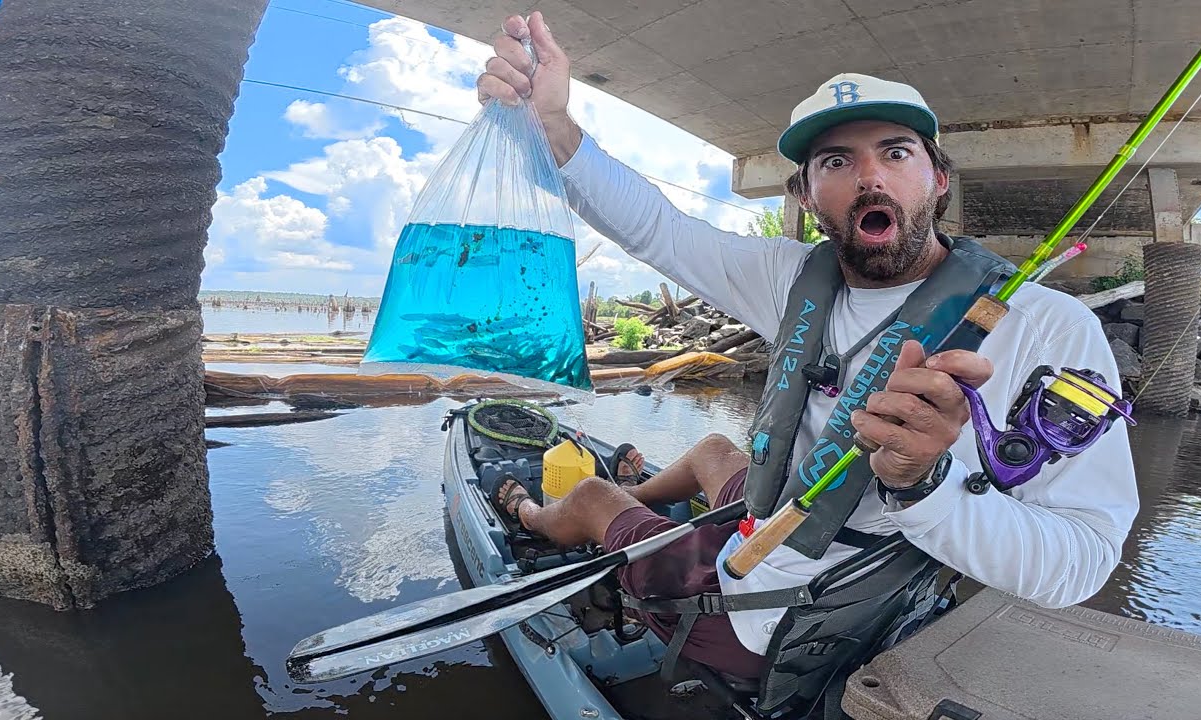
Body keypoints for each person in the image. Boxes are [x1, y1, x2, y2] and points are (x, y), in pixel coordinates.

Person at [477, 11, 1140, 686]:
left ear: (939, 179)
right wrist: (552, 125)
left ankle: (538, 514)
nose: (871, 178)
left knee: (588, 493)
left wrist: (927, 482)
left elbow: (1084, 561)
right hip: (774, 524)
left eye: (896, 152)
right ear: (804, 194)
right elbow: (658, 230)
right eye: (836, 162)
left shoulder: (1047, 326)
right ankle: (643, 505)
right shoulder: (792, 278)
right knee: (710, 450)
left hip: (779, 616)